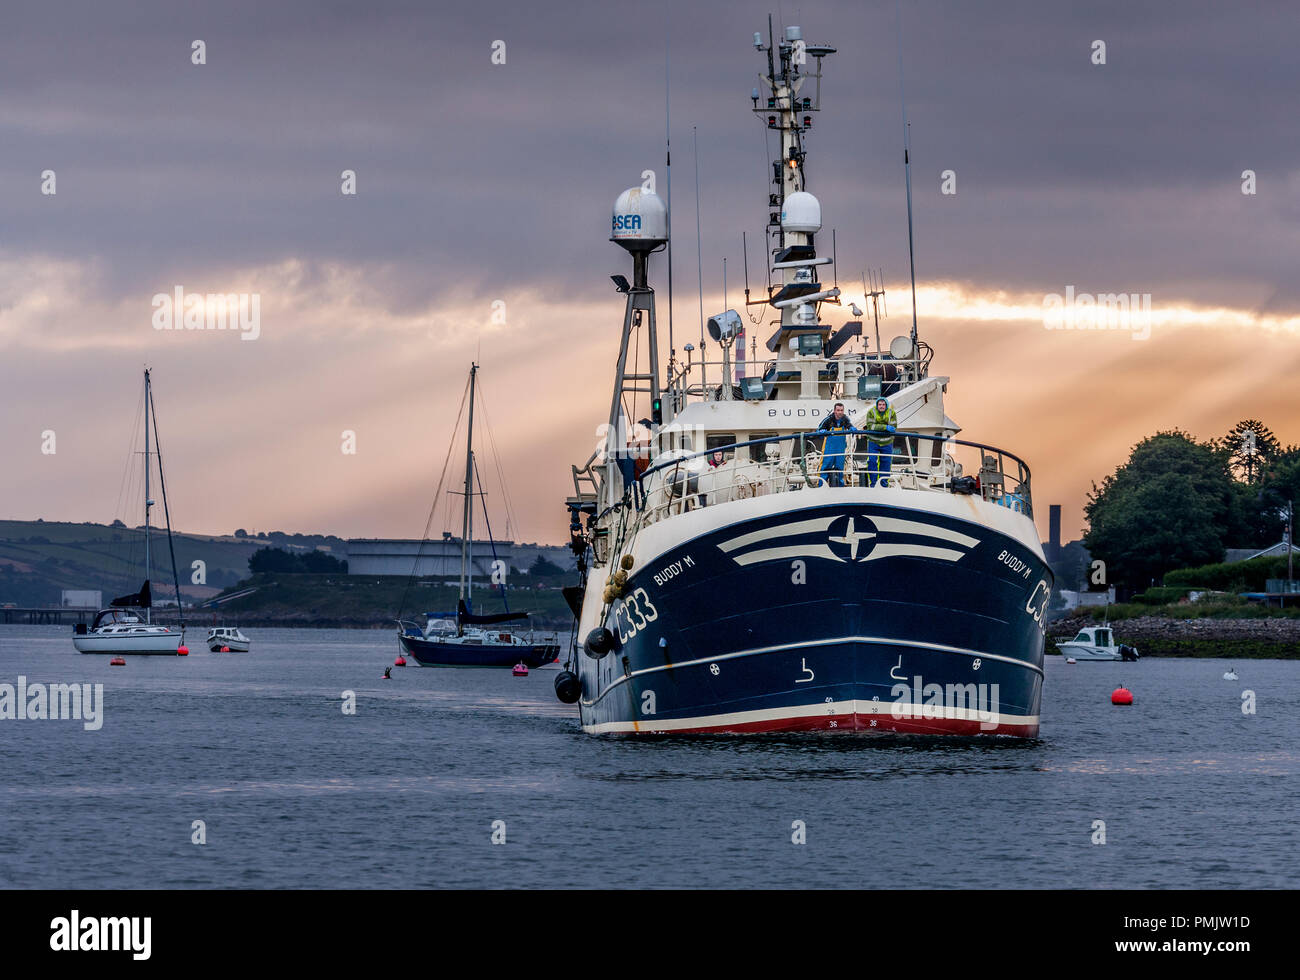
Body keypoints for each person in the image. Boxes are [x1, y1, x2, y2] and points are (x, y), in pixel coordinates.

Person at [817, 402, 854, 487]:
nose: (840, 412)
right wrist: (821, 431)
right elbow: (819, 428)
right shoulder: (828, 419)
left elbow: (849, 425)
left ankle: (840, 486)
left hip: (840, 448)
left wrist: (852, 428)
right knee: (825, 466)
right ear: (834, 411)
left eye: (841, 410)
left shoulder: (845, 419)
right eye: (838, 410)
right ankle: (821, 485)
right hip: (829, 448)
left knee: (840, 466)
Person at [864, 396, 898, 487]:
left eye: (883, 404)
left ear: (886, 405)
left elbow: (893, 427)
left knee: (886, 463)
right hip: (873, 441)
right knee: (871, 461)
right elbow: (870, 426)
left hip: (887, 442)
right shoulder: (871, 412)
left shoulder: (892, 413)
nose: (881, 406)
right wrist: (885, 427)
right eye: (880, 404)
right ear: (877, 405)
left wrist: (878, 427)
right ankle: (873, 483)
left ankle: (883, 484)